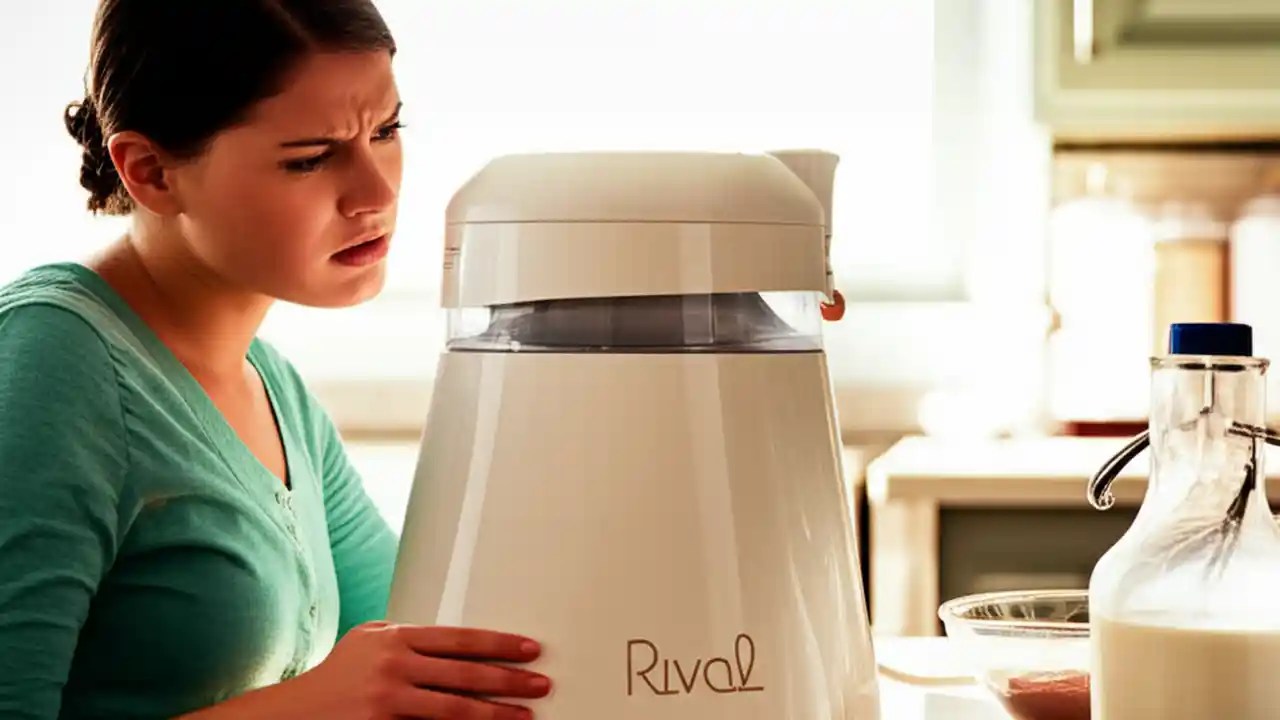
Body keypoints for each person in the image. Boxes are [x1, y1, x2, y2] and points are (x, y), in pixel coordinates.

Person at [0, 1, 552, 718]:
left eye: (387, 131)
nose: (378, 194)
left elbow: (429, 640)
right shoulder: (52, 363)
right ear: (150, 171)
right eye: (311, 158)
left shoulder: (274, 391)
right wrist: (313, 705)